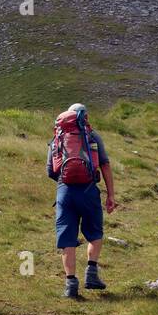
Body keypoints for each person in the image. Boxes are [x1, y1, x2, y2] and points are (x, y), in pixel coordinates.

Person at [47, 103, 117, 298]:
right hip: (89, 191)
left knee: (67, 237)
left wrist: (64, 182)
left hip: (65, 192)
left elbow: (50, 170)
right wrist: (110, 195)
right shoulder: (92, 137)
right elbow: (105, 166)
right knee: (94, 232)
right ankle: (91, 274)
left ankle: (70, 285)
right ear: (85, 117)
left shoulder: (58, 138)